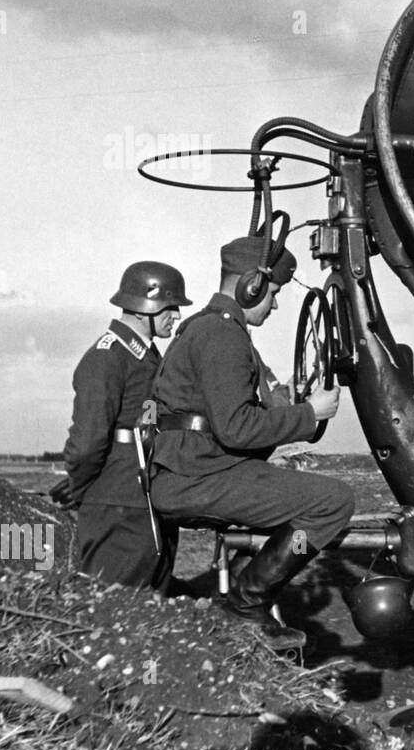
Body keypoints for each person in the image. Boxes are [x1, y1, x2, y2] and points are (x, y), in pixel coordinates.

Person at [148, 235, 351, 650]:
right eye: (273, 293)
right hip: (196, 476)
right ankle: (245, 607)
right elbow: (237, 428)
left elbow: (246, 408)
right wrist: (310, 414)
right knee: (332, 503)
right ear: (251, 285)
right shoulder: (224, 336)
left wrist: (295, 404)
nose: (274, 305)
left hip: (196, 469)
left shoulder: (207, 329)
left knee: (293, 502)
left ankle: (243, 584)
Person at [60, 262, 192, 593]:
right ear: (142, 306)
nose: (175, 316)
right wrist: (81, 490)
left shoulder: (145, 356)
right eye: (169, 306)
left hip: (147, 502)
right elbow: (87, 444)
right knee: (113, 609)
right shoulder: (107, 357)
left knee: (151, 609)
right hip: (118, 507)